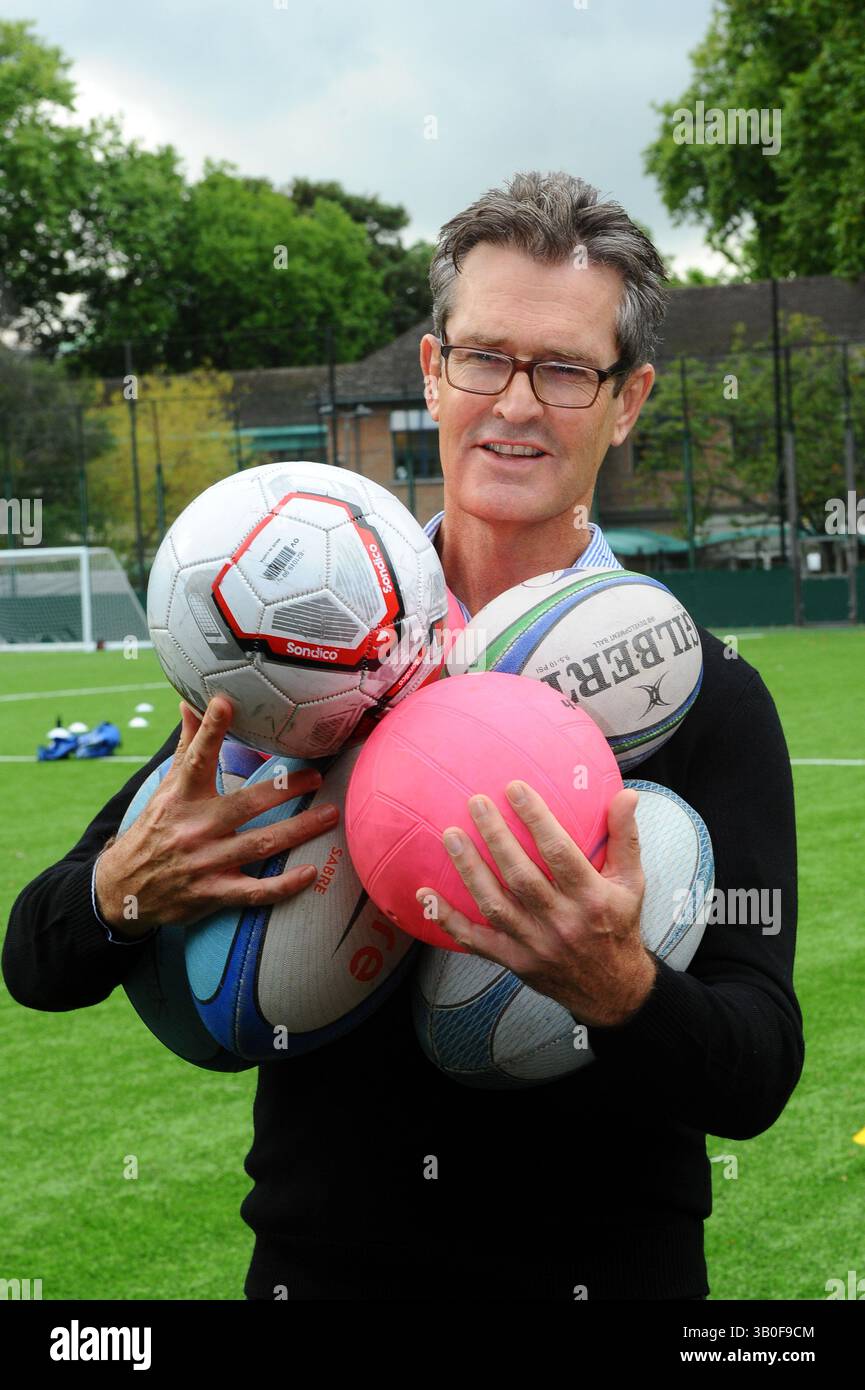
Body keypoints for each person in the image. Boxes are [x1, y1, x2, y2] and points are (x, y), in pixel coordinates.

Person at [3, 171, 803, 1301]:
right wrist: (121, 890)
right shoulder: (297, 653)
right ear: (434, 374)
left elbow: (756, 1069)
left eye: (565, 368)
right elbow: (35, 958)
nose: (516, 402)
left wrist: (619, 986)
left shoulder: (703, 692)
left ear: (629, 402)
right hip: (318, 1277)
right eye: (484, 357)